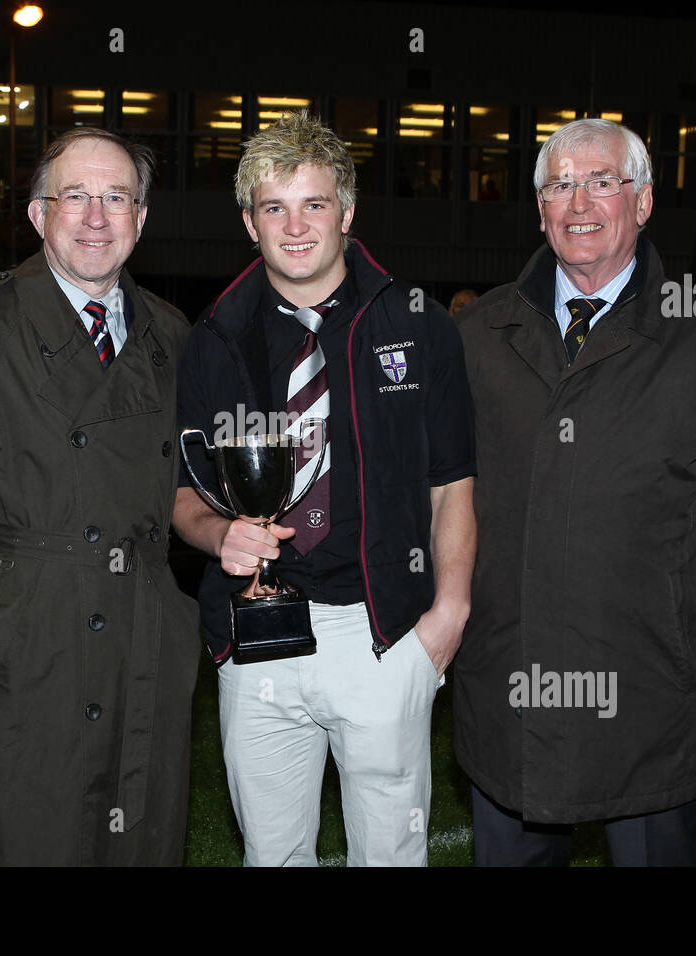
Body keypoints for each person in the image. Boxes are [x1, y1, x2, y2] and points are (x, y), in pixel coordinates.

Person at [455, 118, 696, 866]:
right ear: (540, 207)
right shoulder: (479, 336)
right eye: (559, 184)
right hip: (508, 689)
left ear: (642, 202)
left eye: (601, 181)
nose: (578, 201)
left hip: (650, 692)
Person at [0, 126, 199, 866]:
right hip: (18, 641)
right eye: (75, 196)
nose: (96, 216)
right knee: (20, 828)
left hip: (140, 635)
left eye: (116, 197)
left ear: (141, 218)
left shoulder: (172, 336)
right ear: (37, 215)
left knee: (134, 831)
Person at [172, 111, 476, 867]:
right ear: (249, 222)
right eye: (275, 207)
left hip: (382, 633)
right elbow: (183, 496)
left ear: (347, 211)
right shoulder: (214, 336)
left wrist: (446, 621)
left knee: (391, 858)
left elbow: (453, 485)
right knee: (272, 858)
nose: (296, 225)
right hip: (259, 639)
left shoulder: (417, 322)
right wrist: (221, 536)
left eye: (313, 203)